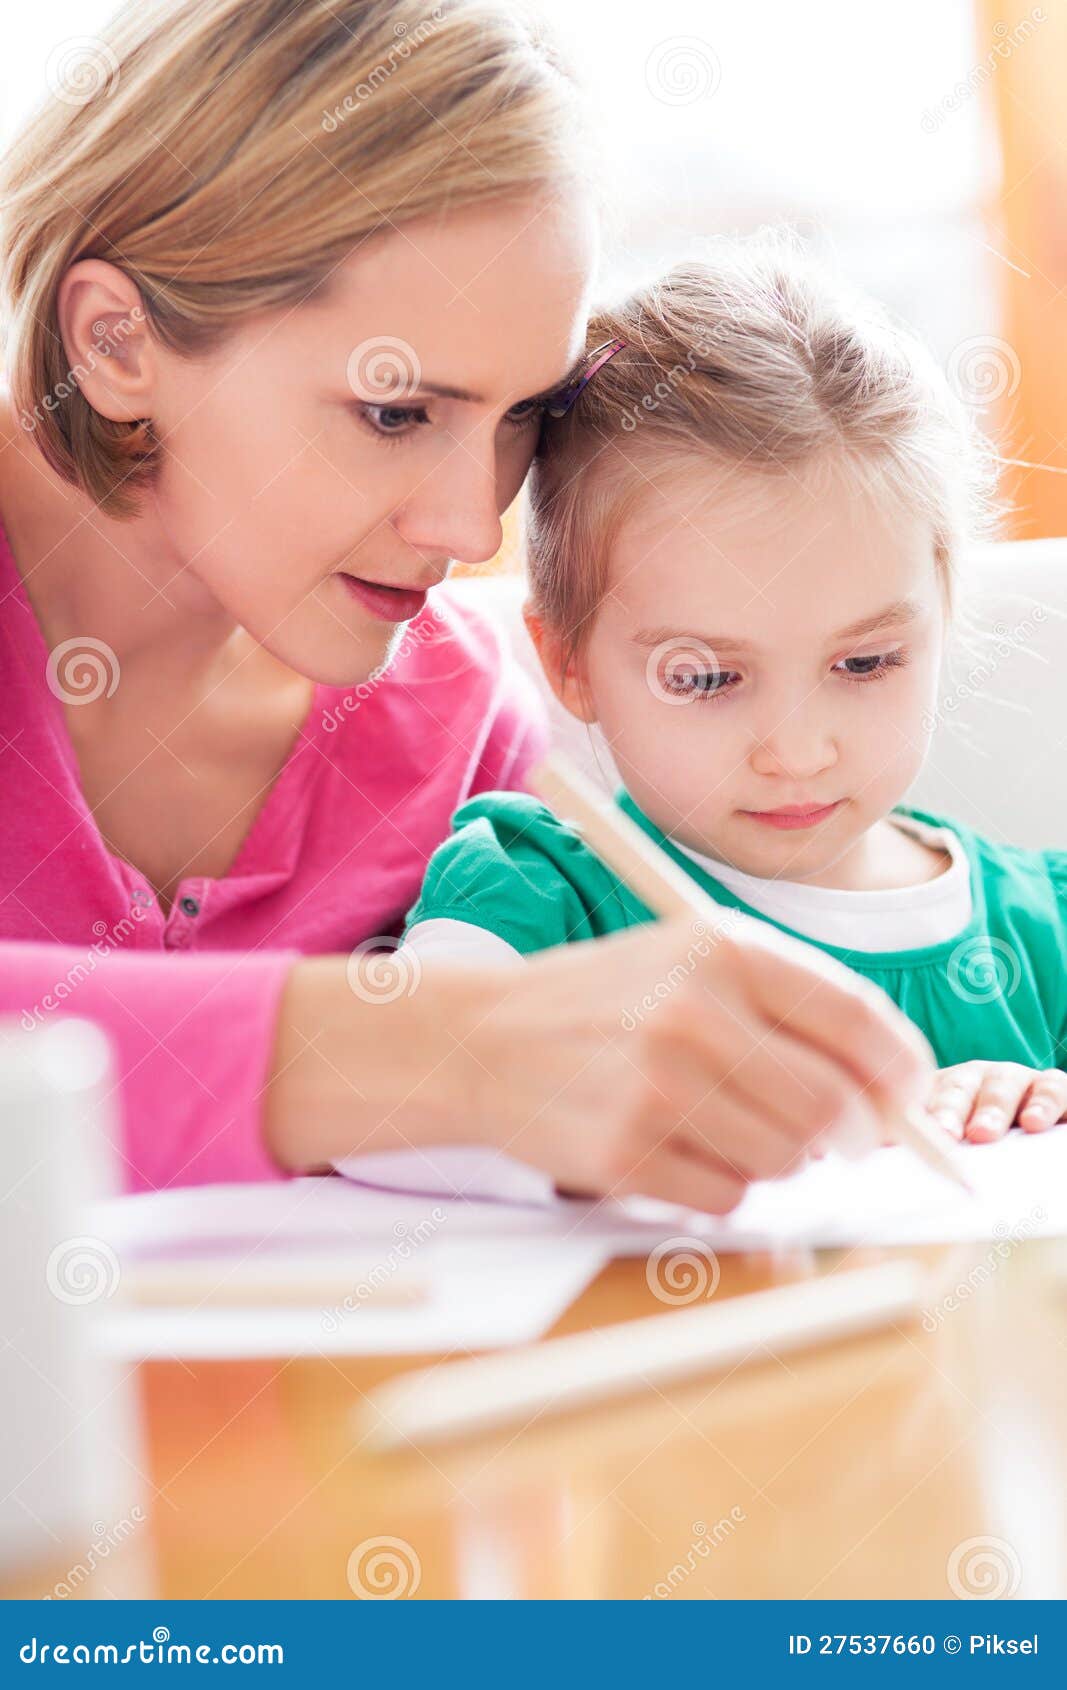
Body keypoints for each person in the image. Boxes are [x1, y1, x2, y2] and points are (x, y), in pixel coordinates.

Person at [0, 0, 930, 1209]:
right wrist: (430, 1050)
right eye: (395, 413)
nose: (470, 525)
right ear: (117, 343)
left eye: (520, 418)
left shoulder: (449, 723)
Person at [402, 236, 1067, 1154]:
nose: (795, 751)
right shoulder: (537, 892)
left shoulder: (1046, 928)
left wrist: (1042, 1109)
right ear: (568, 666)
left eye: (865, 663)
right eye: (706, 678)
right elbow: (388, 1114)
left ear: (942, 620)